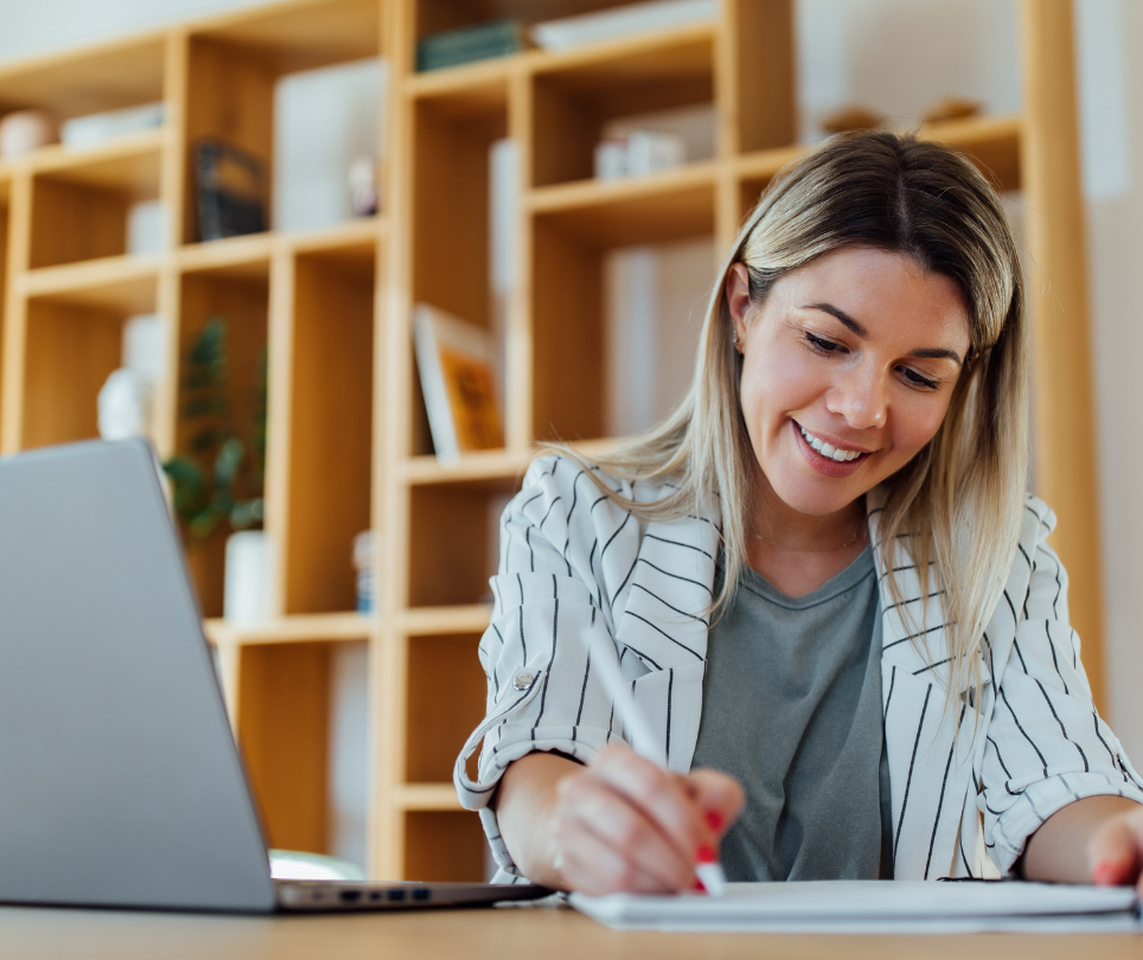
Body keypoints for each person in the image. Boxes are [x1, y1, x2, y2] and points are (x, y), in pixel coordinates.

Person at [453, 131, 1143, 894]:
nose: (860, 409)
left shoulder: (999, 554)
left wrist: (1121, 847)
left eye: (918, 375)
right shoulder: (575, 511)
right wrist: (573, 830)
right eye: (824, 340)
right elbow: (535, 762)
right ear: (743, 306)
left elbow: (1060, 788)